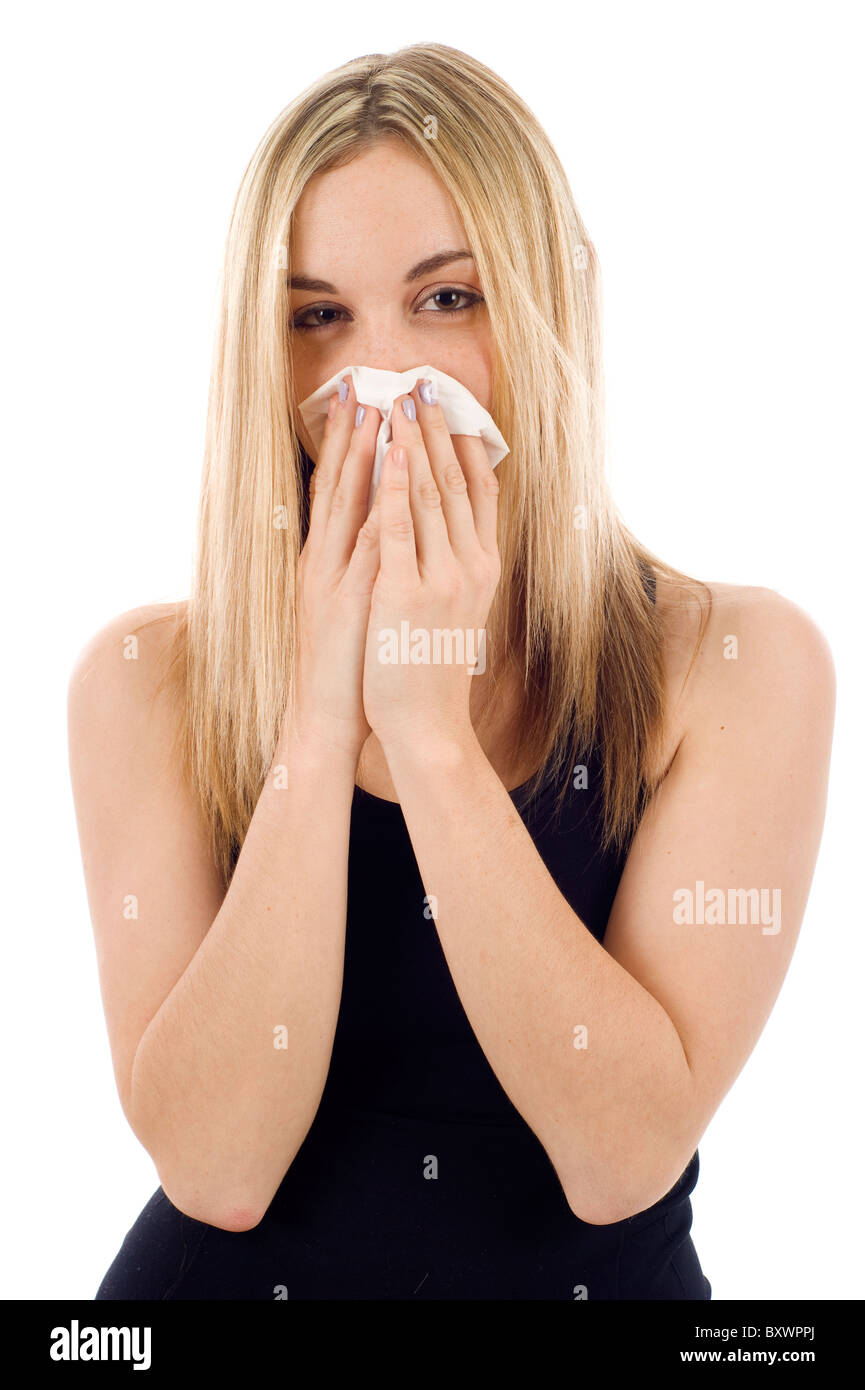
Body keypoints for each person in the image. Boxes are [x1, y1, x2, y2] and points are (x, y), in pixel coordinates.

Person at [68, 43, 835, 1300]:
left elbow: (621, 1154)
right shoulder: (145, 682)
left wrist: (426, 730)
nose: (382, 380)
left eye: (447, 299)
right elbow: (217, 1168)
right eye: (318, 317)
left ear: (550, 309)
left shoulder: (737, 667)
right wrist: (319, 725)